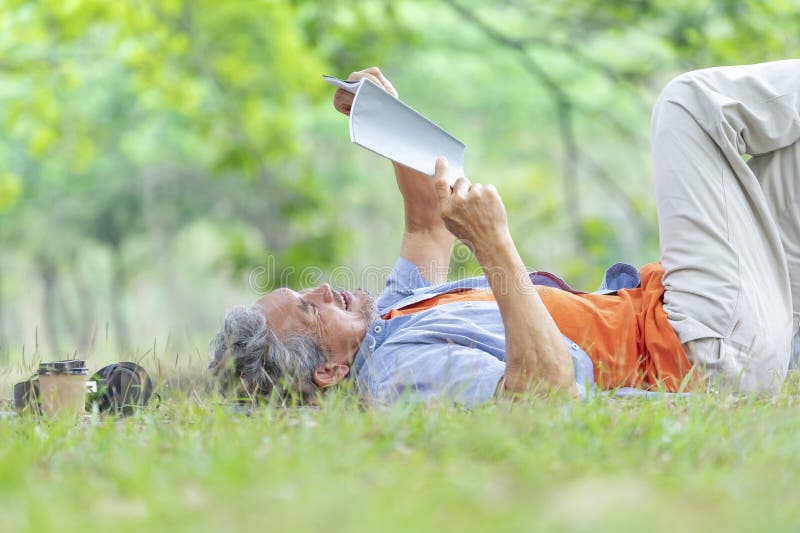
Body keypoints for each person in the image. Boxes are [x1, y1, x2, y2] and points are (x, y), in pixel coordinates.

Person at [209, 61, 800, 405]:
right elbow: (544, 393)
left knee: (789, 155)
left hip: (717, 320)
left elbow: (425, 225)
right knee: (689, 104)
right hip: (700, 351)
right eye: (309, 312)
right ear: (329, 371)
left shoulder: (392, 320)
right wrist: (494, 247)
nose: (321, 290)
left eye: (305, 292)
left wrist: (383, 117)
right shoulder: (395, 373)